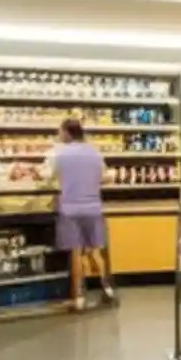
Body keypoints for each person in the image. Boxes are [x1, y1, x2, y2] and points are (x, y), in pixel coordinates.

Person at [51, 118, 116, 310]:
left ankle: (78, 297)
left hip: (70, 208)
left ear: (68, 133)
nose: (59, 135)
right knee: (94, 249)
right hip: (93, 207)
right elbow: (104, 177)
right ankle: (107, 289)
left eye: (60, 131)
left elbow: (52, 177)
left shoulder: (61, 155)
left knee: (76, 252)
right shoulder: (95, 154)